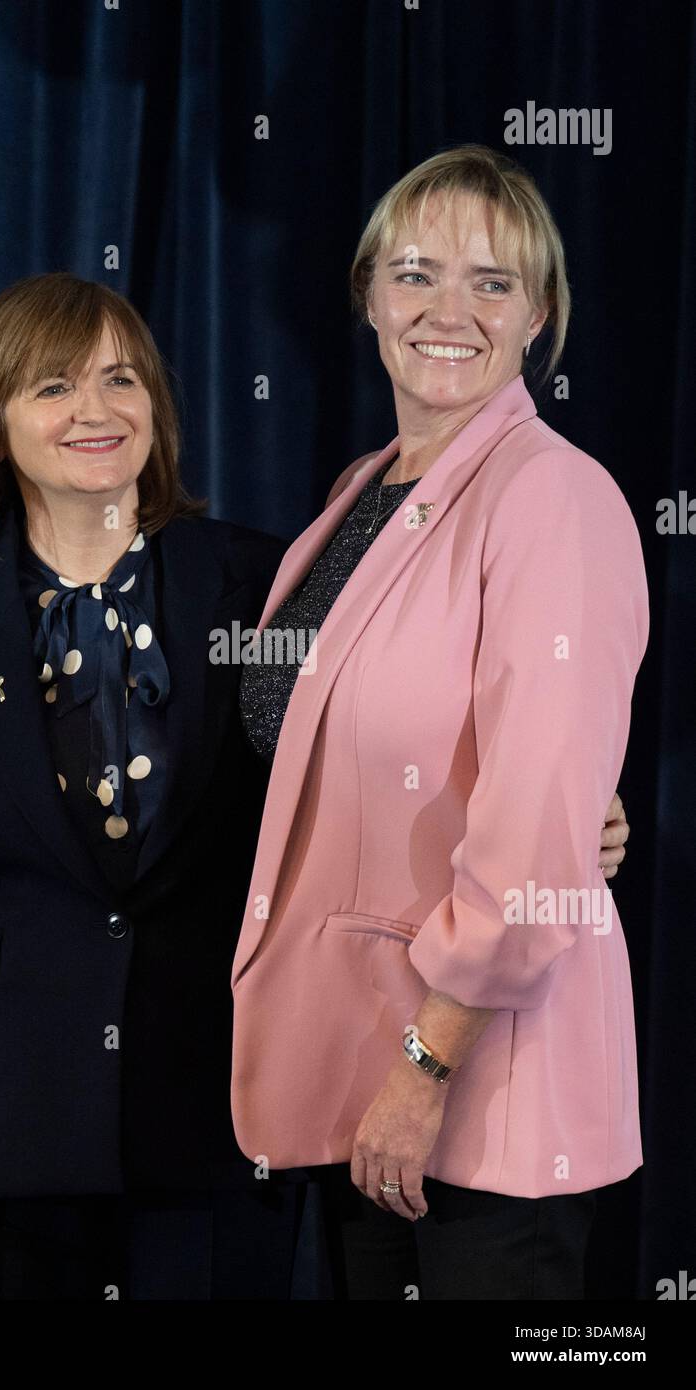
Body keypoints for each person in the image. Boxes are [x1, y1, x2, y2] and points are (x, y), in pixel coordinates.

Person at [233, 144, 647, 1300]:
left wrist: (425, 1066)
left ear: (538, 314)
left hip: (481, 1086)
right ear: (368, 293)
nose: (446, 311)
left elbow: (533, 831)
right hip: (362, 1075)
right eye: (415, 273)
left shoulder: (551, 495)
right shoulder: (360, 494)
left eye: (490, 282)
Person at [0, 271, 309, 1300]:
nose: (95, 409)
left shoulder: (261, 582)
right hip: (0, 1130)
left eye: (120, 378)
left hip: (218, 1119)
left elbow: (356, 781)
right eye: (54, 386)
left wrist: (556, 809)